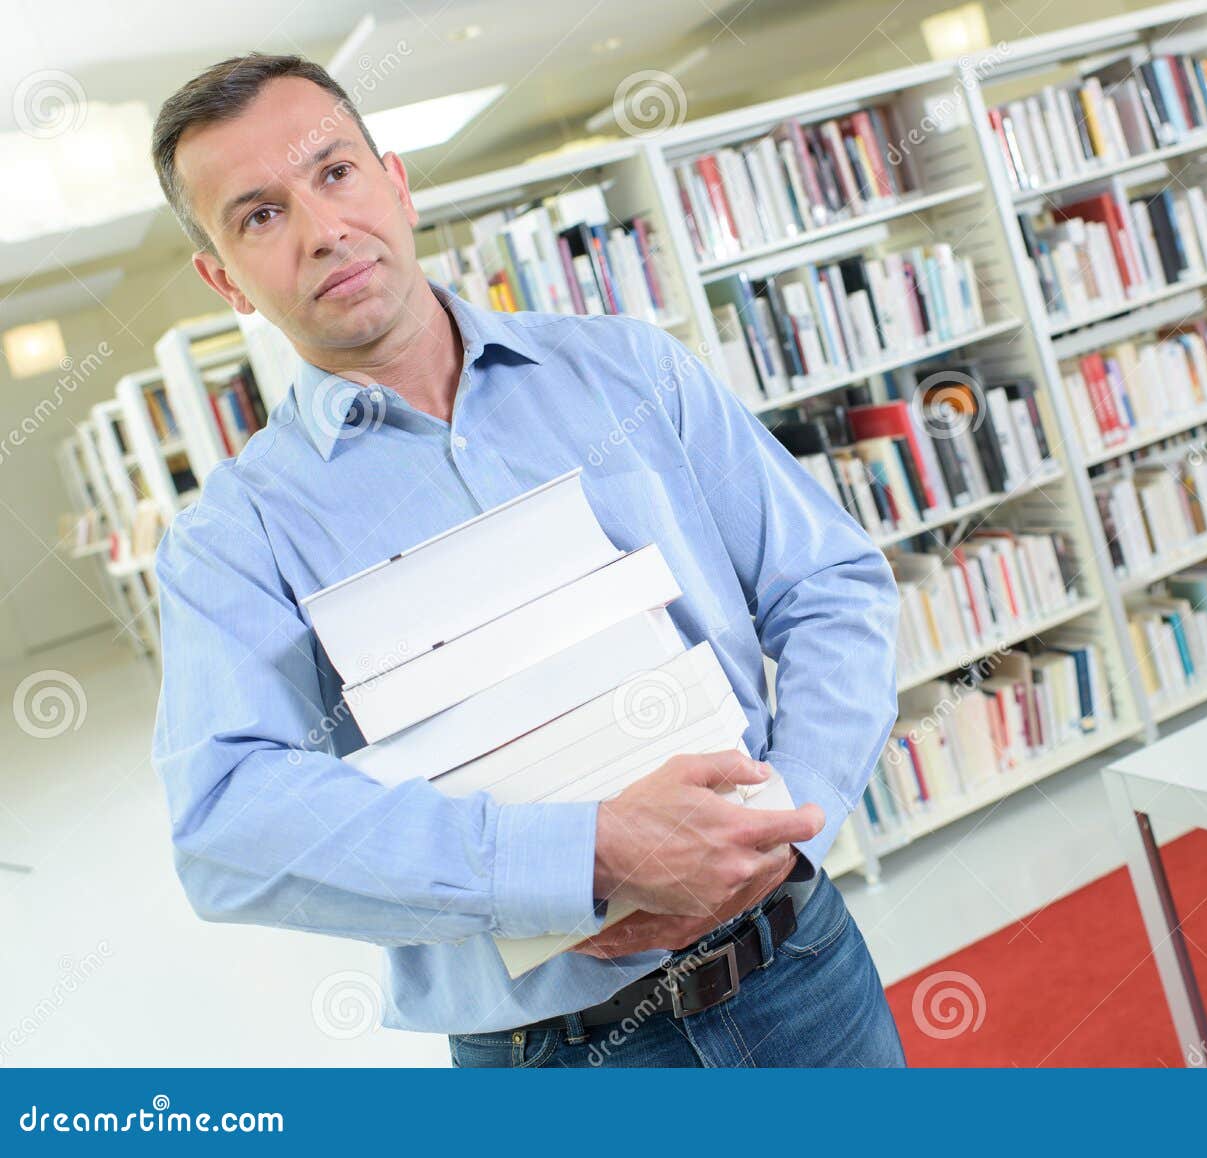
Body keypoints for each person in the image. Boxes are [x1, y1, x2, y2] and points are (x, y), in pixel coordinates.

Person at [147, 53, 905, 1068]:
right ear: (223, 279)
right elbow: (225, 825)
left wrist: (787, 820)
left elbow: (829, 586)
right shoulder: (231, 539)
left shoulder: (631, 369)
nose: (322, 229)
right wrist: (578, 856)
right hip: (555, 1061)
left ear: (396, 181)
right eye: (258, 216)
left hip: (797, 971)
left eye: (334, 174)